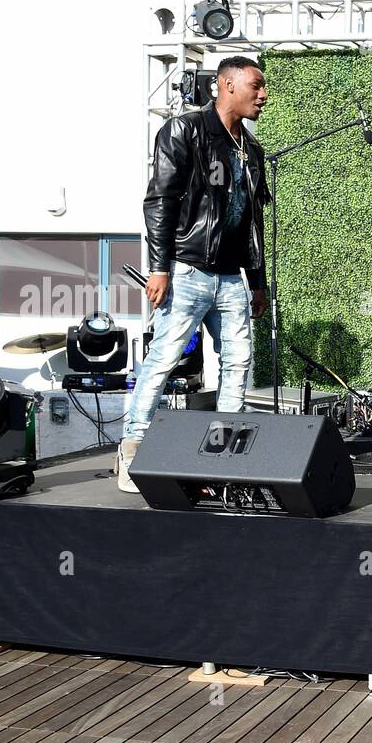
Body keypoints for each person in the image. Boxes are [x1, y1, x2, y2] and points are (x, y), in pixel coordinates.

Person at [118, 55, 270, 492]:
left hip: (230, 277)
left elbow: (251, 223)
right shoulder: (184, 130)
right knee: (165, 357)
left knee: (239, 360)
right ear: (227, 85)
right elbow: (159, 201)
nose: (263, 95)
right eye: (255, 86)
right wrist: (158, 268)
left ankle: (224, 449)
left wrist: (257, 282)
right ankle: (134, 445)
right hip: (186, 269)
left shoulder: (251, 150)